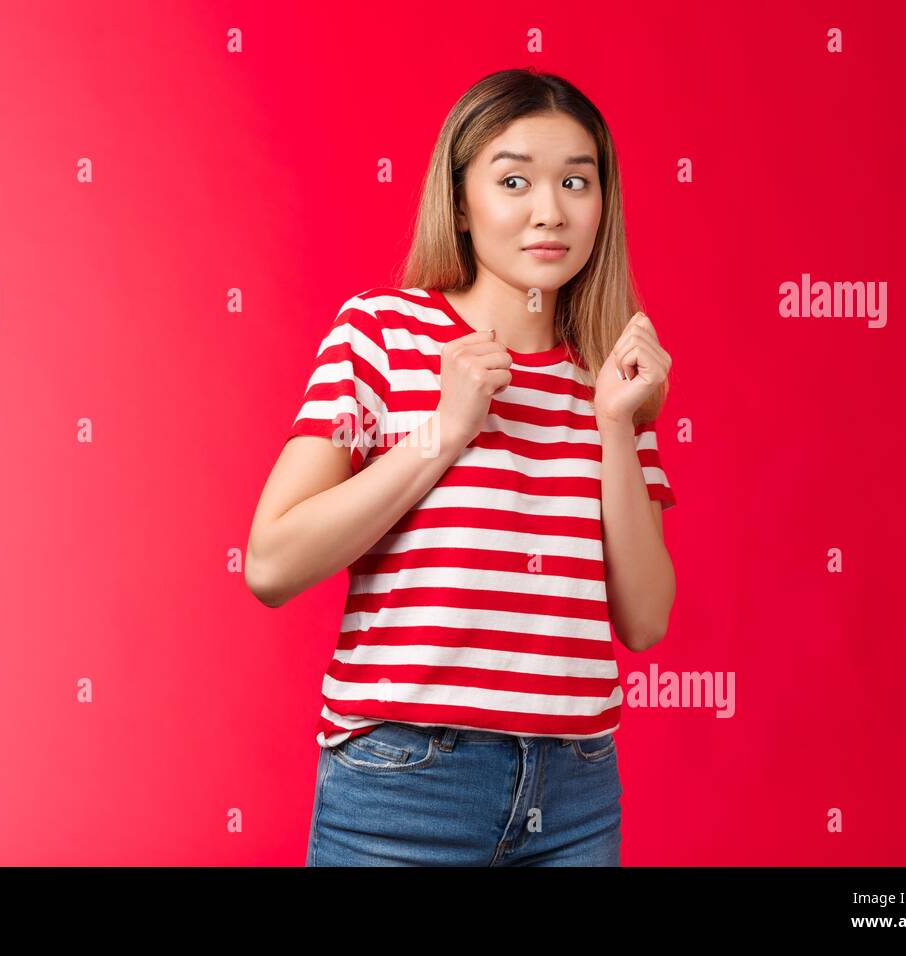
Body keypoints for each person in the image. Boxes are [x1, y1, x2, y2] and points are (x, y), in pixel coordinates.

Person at [245, 67, 677, 866]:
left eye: (576, 182)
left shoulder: (614, 377)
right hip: (405, 784)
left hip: (576, 791)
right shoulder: (382, 333)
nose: (550, 210)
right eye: (514, 180)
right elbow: (271, 563)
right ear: (461, 203)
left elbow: (644, 621)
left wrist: (617, 425)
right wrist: (442, 434)